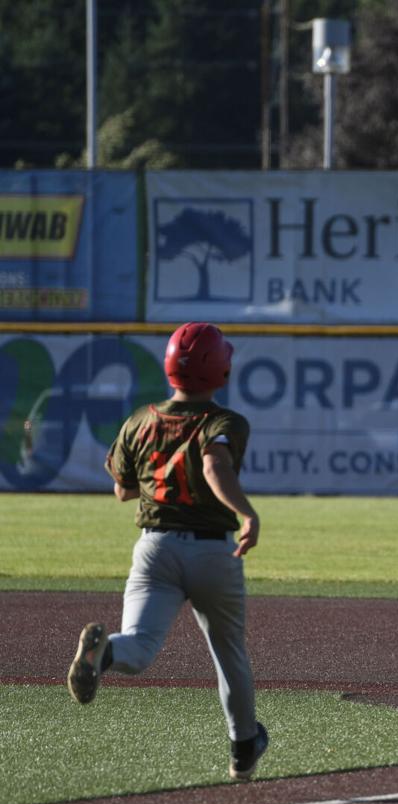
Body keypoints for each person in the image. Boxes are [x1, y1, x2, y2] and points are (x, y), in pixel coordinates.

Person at [67, 322, 269, 780]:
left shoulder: (140, 420)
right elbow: (215, 464)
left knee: (138, 646)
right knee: (228, 653)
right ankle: (242, 748)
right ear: (220, 369)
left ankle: (105, 655)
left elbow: (122, 489)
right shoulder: (225, 421)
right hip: (212, 553)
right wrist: (246, 513)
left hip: (155, 548)